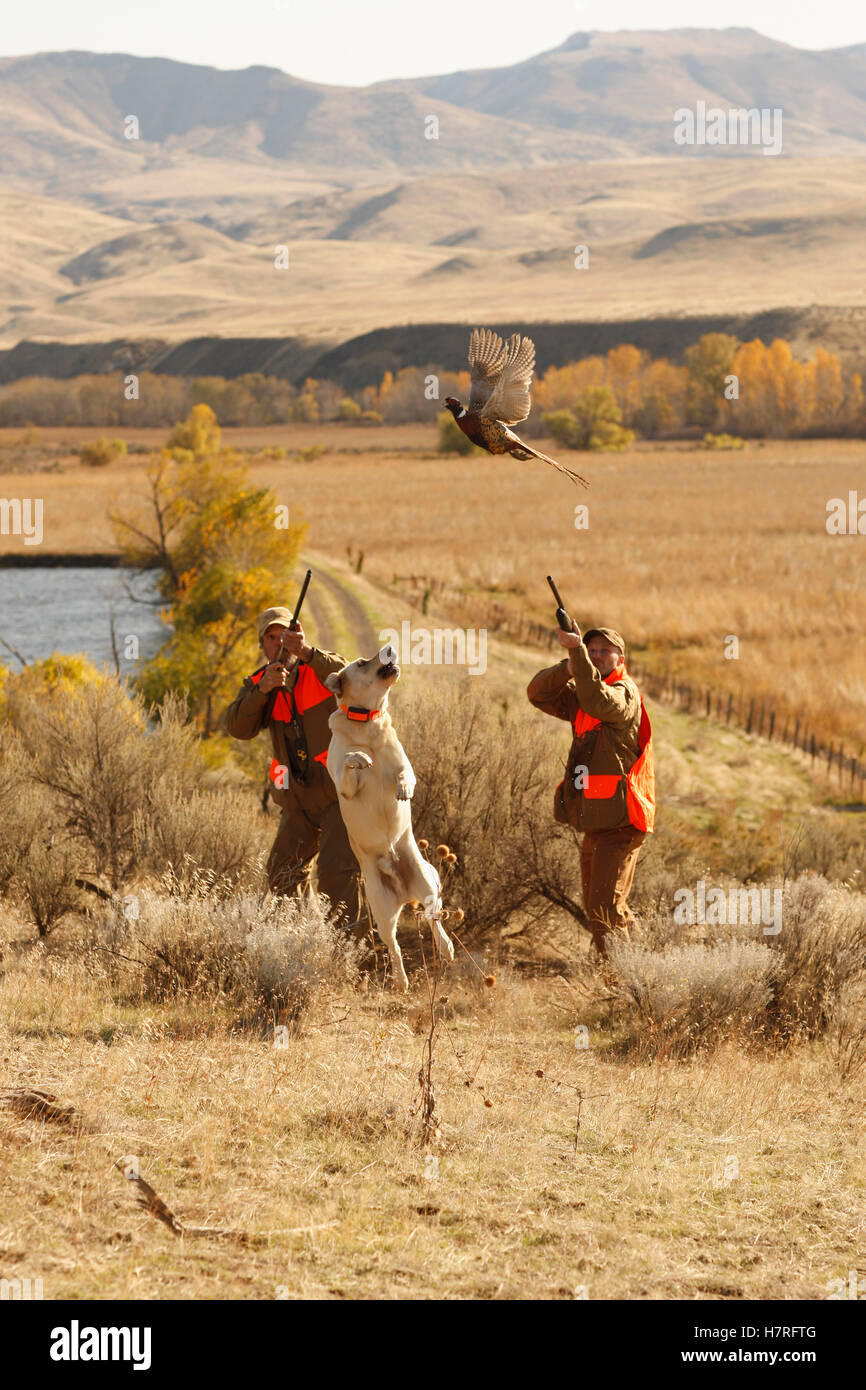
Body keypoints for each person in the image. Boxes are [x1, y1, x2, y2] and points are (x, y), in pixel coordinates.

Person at [224, 606, 364, 932]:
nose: (279, 643)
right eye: (271, 638)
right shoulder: (261, 684)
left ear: (296, 635)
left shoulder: (320, 668)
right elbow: (236, 727)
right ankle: (309, 939)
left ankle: (356, 960)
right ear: (262, 645)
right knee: (281, 871)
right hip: (297, 801)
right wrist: (262, 692)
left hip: (337, 794)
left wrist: (306, 652)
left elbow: (352, 680)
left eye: (284, 635)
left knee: (336, 873)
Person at [527, 622, 655, 958]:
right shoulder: (581, 695)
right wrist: (569, 665)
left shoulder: (624, 693)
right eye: (591, 650)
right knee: (605, 907)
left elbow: (600, 701)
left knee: (604, 909)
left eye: (603, 650)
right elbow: (537, 693)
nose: (596, 655)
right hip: (597, 822)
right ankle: (645, 970)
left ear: (620, 657)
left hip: (622, 821)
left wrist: (578, 656)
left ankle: (620, 982)